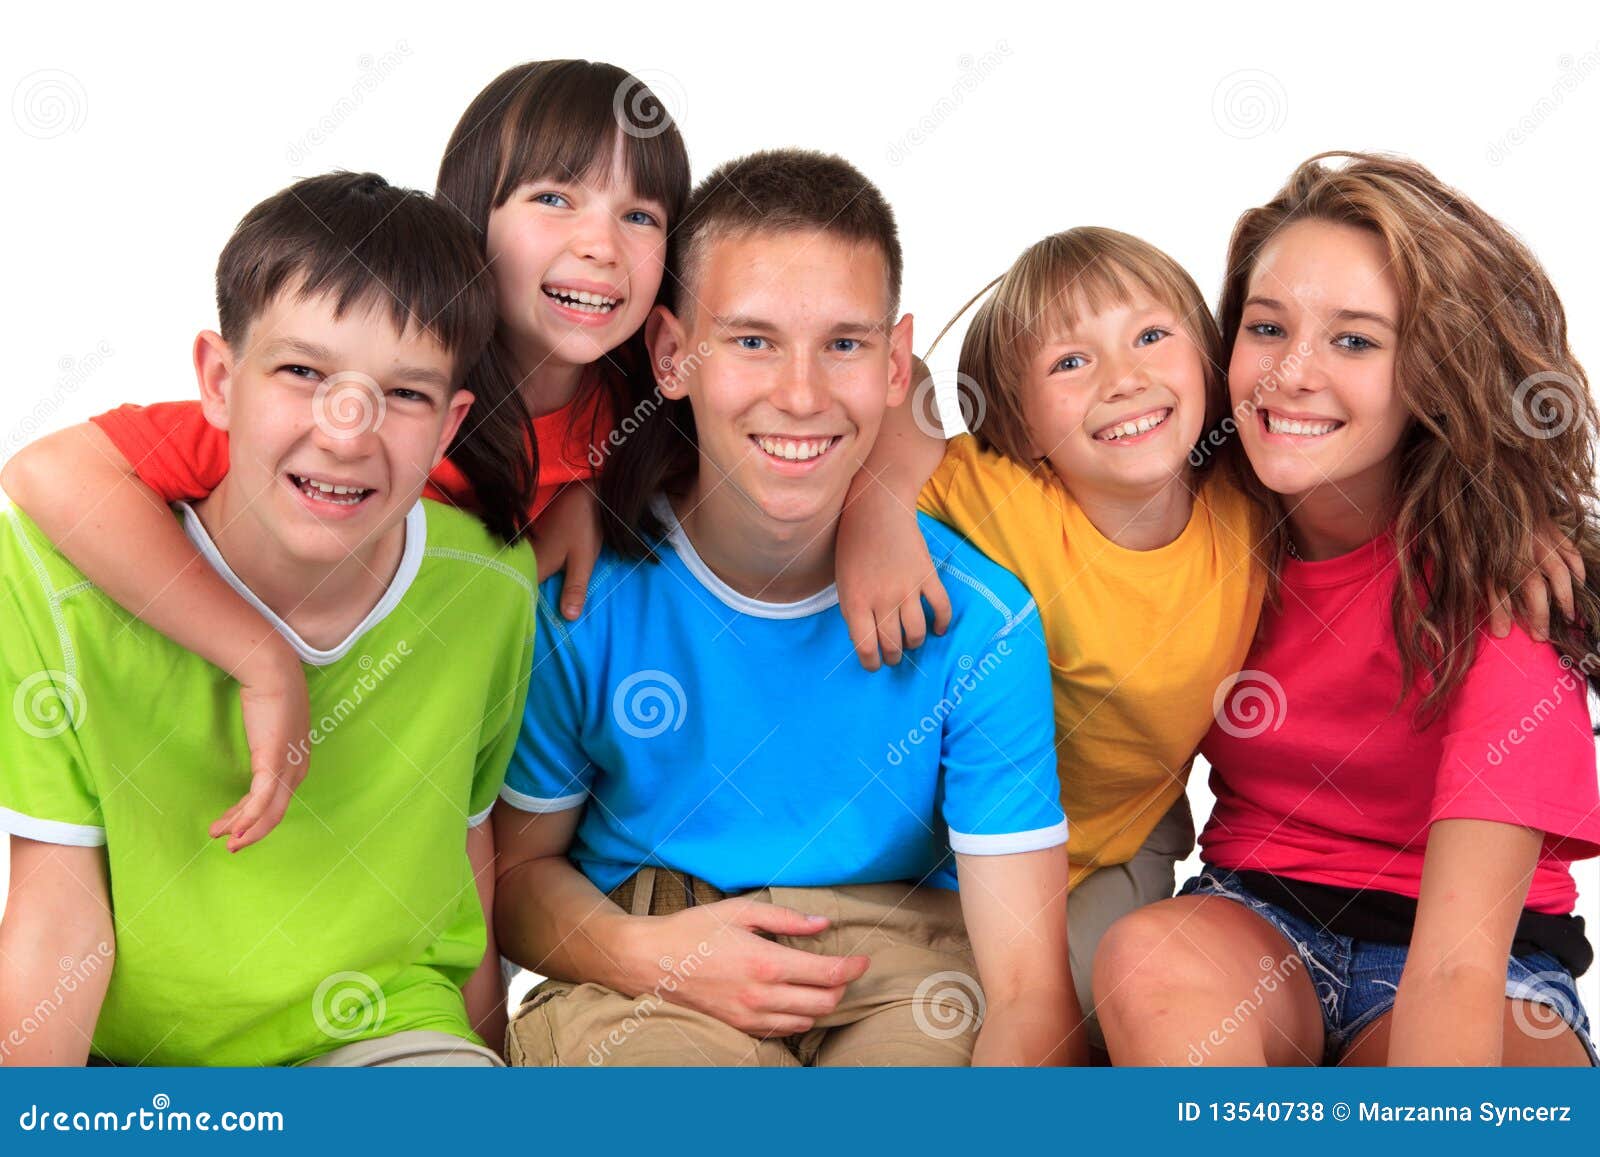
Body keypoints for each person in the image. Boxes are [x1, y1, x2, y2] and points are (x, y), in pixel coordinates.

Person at [492, 149, 1084, 1067]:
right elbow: (518, 873)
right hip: (645, 950)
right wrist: (658, 959)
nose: (801, 395)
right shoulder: (582, 592)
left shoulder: (980, 622)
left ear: (895, 364)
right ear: (673, 355)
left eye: (844, 344)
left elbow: (1025, 990)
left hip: (903, 964)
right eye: (753, 340)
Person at [0, 172, 537, 1067]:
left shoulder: (488, 584)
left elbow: (465, 844)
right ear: (218, 379)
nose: (346, 431)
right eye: (302, 371)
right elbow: (55, 903)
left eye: (405, 395)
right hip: (132, 1064)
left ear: (449, 428)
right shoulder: (52, 576)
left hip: (387, 1033)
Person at [1093, 152, 1600, 1067]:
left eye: (1356, 340)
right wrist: (884, 511)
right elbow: (984, 438)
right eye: (1267, 325)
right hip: (1256, 920)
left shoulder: (1504, 592)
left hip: (1484, 962)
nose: (1291, 373)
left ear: (1435, 373)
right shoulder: (1186, 521)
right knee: (1145, 954)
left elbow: (1456, 971)